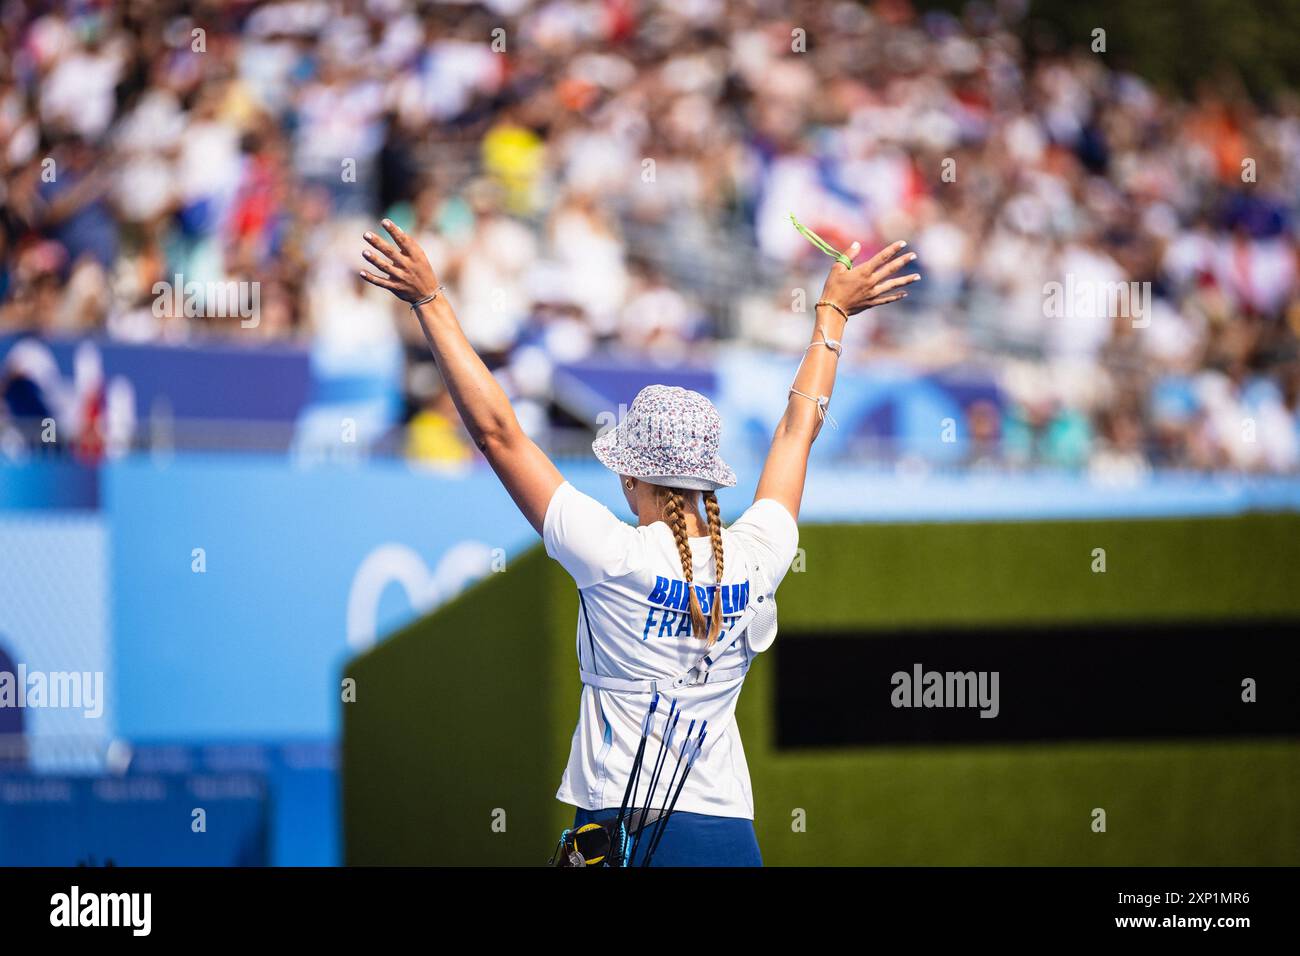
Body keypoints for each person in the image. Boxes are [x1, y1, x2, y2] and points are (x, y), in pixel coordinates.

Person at [359, 219, 919, 865]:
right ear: (709, 479)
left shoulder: (612, 554)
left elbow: (497, 434)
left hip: (624, 834)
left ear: (629, 475)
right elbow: (798, 431)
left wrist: (430, 301)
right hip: (729, 837)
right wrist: (833, 312)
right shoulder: (759, 553)